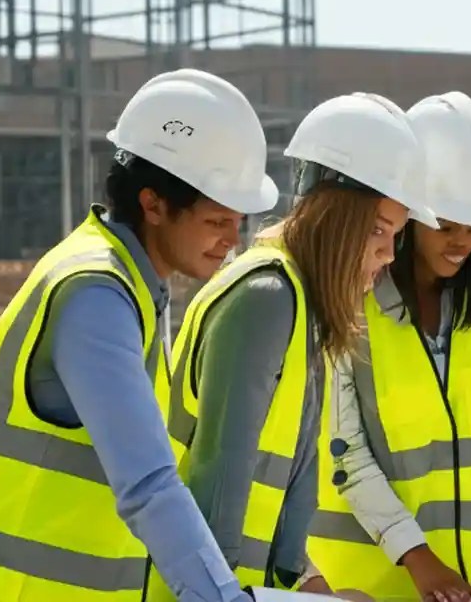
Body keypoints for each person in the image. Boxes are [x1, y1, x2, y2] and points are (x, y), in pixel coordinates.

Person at [0, 69, 279, 601]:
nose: (233, 241)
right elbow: (149, 485)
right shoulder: (96, 295)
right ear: (154, 203)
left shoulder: (129, 287)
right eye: (218, 221)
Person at [150, 92, 437, 601]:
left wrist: (310, 587)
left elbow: (268, 492)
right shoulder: (267, 300)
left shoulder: (298, 304)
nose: (388, 256)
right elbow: (217, 487)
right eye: (379, 232)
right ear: (339, 220)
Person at [306, 92, 471, 601]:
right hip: (365, 586)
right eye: (446, 226)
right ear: (404, 215)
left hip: (459, 588)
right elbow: (345, 456)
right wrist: (419, 559)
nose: (462, 243)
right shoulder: (347, 297)